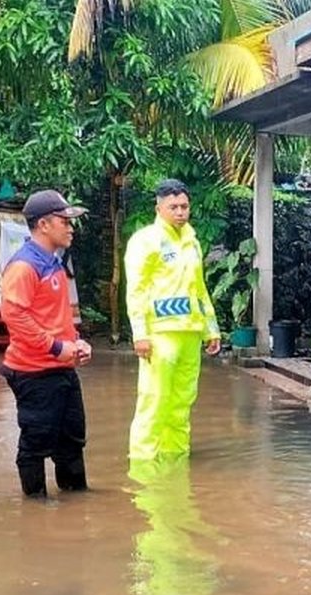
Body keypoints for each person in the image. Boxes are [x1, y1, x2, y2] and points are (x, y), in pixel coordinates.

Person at [0, 189, 92, 498]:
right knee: (36, 444)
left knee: (72, 441)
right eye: (64, 221)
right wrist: (56, 347)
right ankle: (35, 508)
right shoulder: (24, 266)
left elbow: (54, 316)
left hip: (62, 368)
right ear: (43, 225)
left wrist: (77, 342)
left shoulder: (53, 262)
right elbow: (16, 318)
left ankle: (77, 500)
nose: (70, 227)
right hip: (34, 373)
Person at [124, 179, 221, 461]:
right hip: (160, 335)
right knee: (154, 401)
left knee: (182, 402)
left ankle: (175, 459)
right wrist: (140, 333)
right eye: (174, 207)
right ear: (159, 207)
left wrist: (210, 329)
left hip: (190, 333)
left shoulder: (192, 242)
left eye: (184, 206)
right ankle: (143, 464)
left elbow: (199, 289)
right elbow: (137, 290)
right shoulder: (145, 240)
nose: (180, 212)